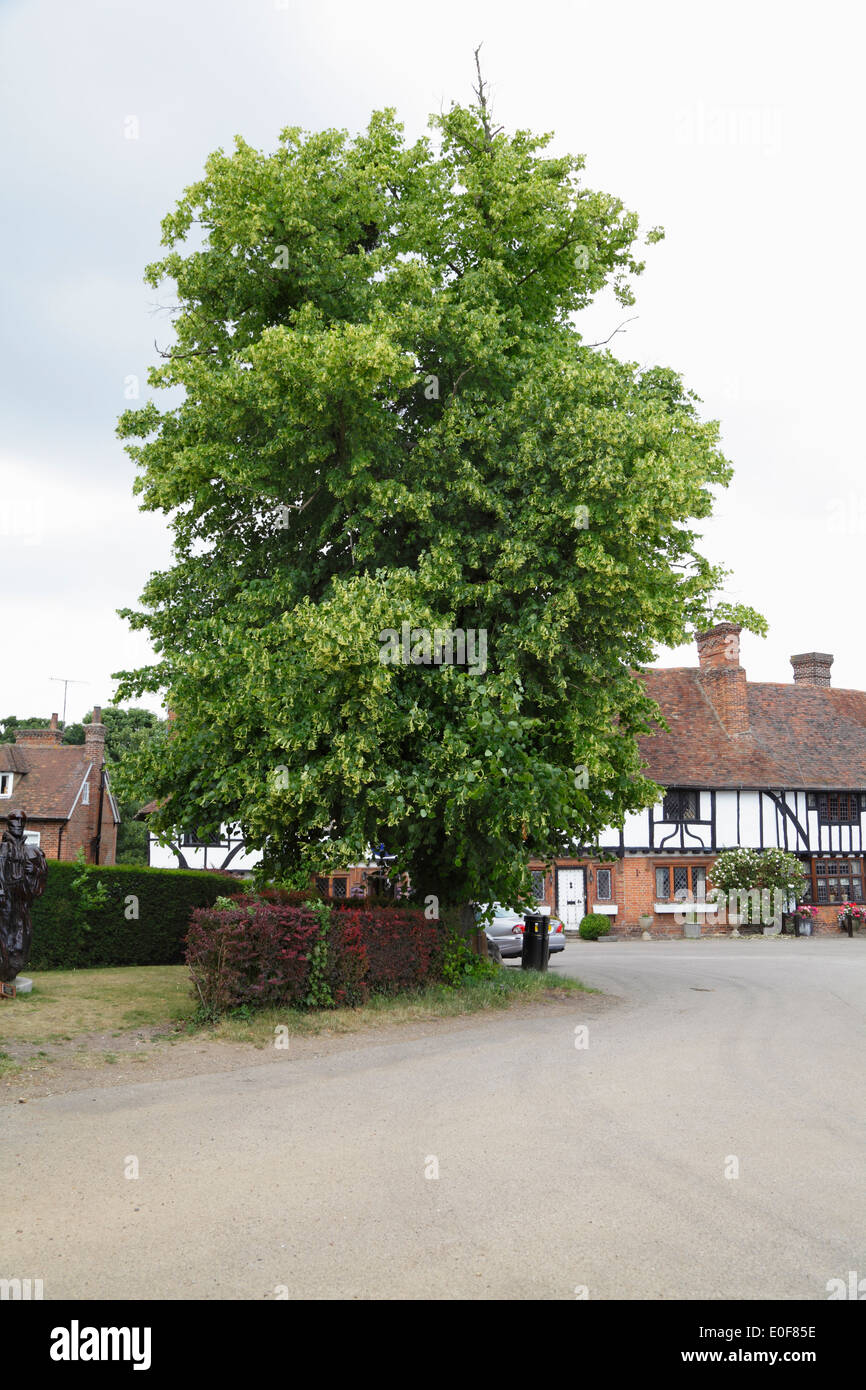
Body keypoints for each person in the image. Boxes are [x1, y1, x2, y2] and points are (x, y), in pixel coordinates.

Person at [0, 808, 47, 982]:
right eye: (15, 822)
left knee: (23, 932)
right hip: (5, 899)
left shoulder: (30, 850)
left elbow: (42, 872)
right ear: (8, 824)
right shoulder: (4, 848)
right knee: (4, 931)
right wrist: (1, 891)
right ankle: (5, 965)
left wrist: (34, 869)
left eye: (22, 822)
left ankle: (13, 964)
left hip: (21, 898)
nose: (19, 825)